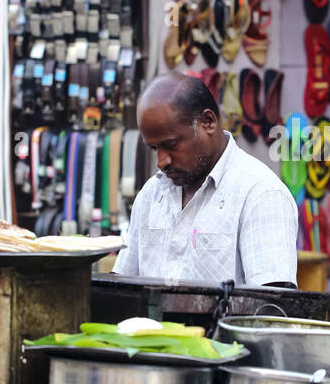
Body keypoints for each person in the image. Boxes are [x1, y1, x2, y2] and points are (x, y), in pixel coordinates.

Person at [112, 72, 297, 287]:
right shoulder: (151, 194)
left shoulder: (261, 195)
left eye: (170, 145)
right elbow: (123, 285)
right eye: (154, 148)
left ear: (208, 122)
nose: (161, 161)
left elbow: (272, 309)